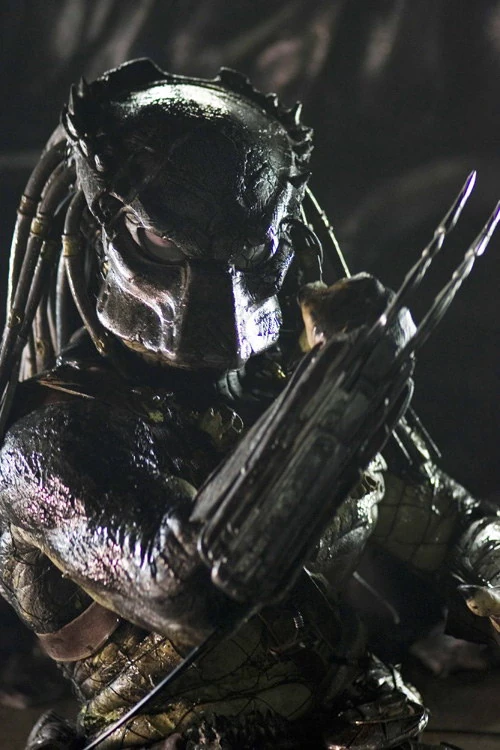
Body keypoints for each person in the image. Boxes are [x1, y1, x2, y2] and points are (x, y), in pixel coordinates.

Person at [0, 58, 498, 750]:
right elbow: (188, 588)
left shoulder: (280, 383)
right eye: (161, 243)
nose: (213, 307)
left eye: (254, 248)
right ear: (105, 226)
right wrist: (327, 400)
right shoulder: (51, 439)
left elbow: (452, 527)